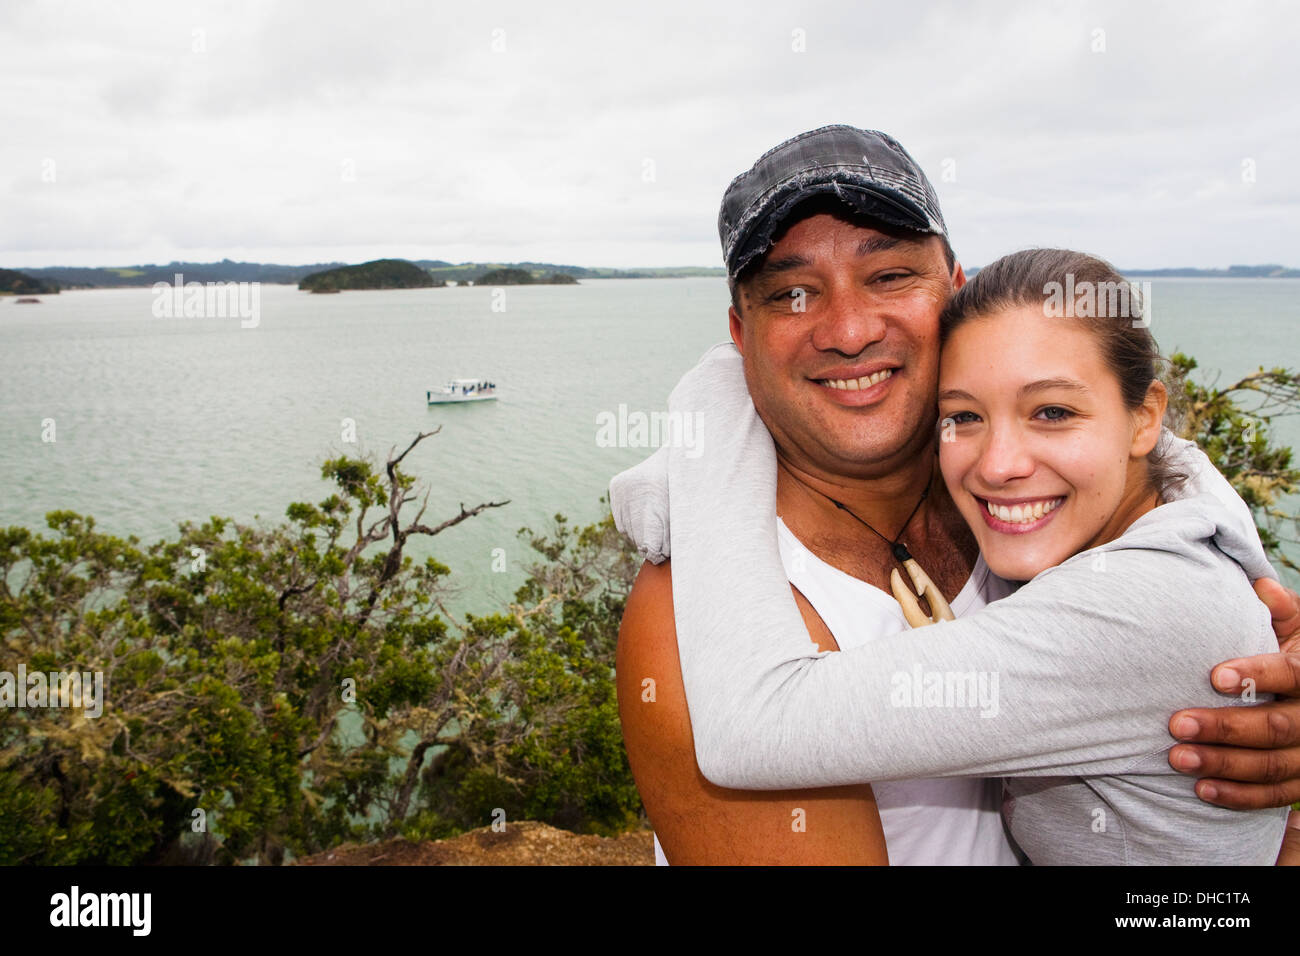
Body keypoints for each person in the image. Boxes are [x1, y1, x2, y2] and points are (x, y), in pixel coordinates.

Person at [611, 125, 1300, 865]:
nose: (848, 330)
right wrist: (708, 416)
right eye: (791, 294)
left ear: (956, 295)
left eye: (890, 276)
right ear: (742, 335)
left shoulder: (1023, 520)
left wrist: (1253, 592)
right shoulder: (702, 620)